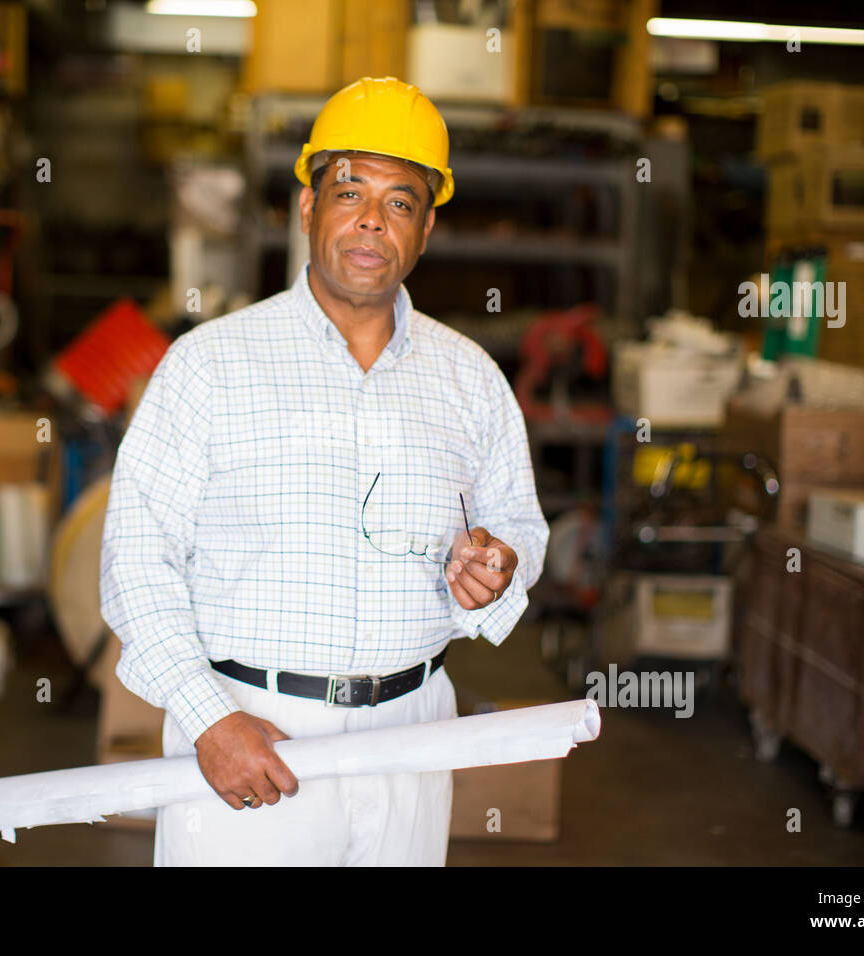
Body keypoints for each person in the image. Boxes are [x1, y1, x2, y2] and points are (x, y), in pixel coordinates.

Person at [100, 76, 548, 866]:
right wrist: (208, 719)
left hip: (412, 732)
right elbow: (137, 561)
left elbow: (520, 524)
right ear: (307, 207)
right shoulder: (210, 365)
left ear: (426, 227)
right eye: (350, 192)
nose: (373, 220)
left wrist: (500, 567)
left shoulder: (468, 376)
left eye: (401, 202)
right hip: (251, 730)